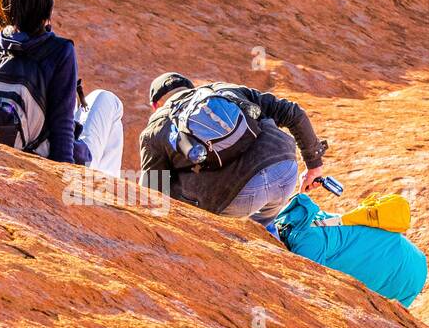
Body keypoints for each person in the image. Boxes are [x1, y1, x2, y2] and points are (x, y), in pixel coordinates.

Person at [0, 0, 123, 175]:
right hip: (42, 159)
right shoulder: (58, 50)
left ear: (6, 10)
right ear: (46, 13)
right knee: (108, 101)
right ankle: (104, 192)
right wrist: (64, 178)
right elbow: (62, 126)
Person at [139, 73, 326, 221]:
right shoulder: (221, 89)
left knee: (166, 185)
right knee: (262, 120)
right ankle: (267, 234)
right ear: (191, 88)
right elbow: (292, 112)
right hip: (285, 170)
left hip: (237, 197)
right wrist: (313, 165)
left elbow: (152, 193)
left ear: (155, 105)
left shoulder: (155, 129)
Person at [270, 193, 427, 308]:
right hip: (413, 263)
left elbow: (311, 287)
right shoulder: (314, 221)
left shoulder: (305, 239)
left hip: (402, 272)